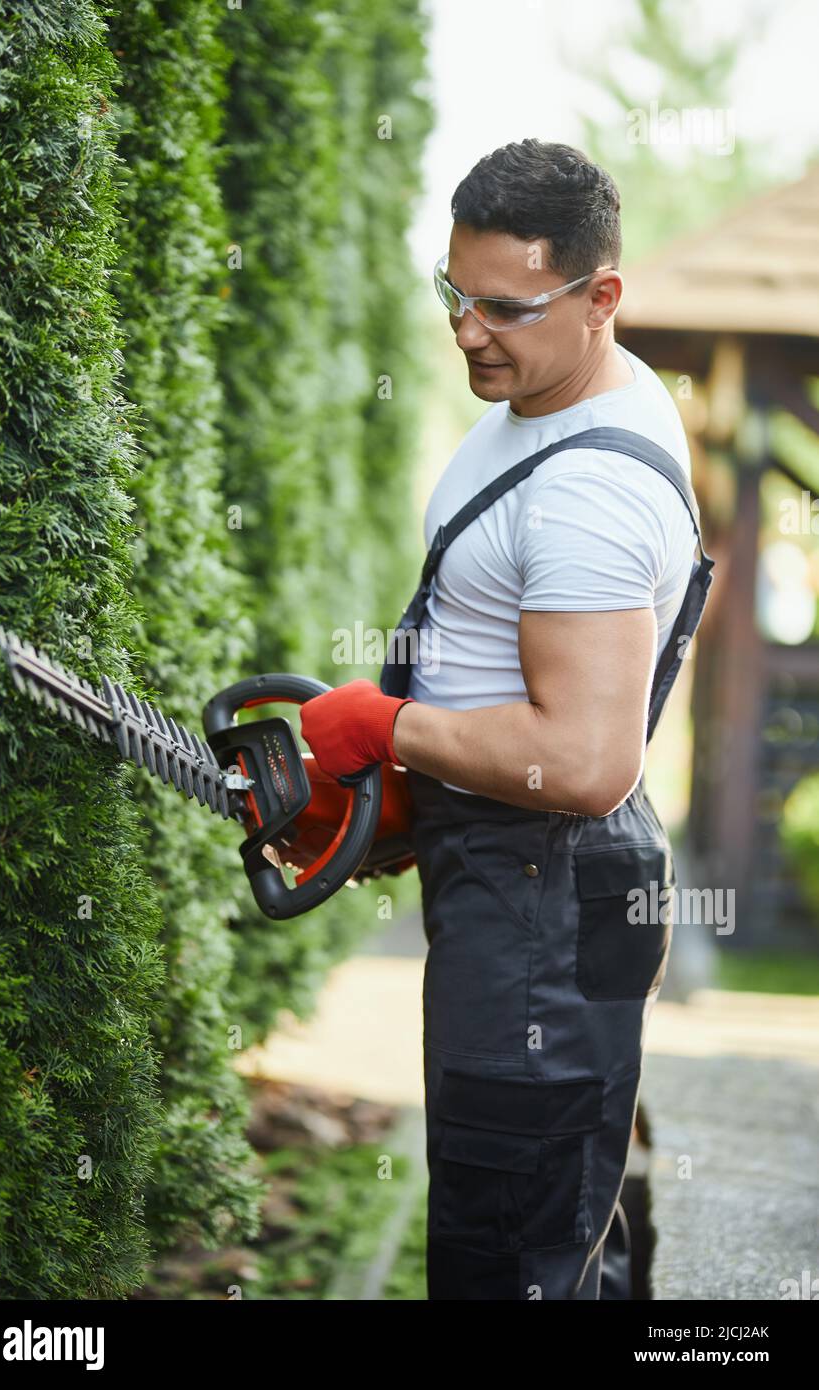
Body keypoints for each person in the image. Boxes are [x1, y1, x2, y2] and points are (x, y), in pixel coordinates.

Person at [300, 138, 713, 1301]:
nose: (467, 328)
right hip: (522, 884)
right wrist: (406, 799)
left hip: (539, 897)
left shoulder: (590, 488)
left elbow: (582, 759)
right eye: (453, 293)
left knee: (505, 1259)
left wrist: (383, 731)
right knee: (566, 1234)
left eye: (502, 306)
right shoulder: (553, 399)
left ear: (600, 299)